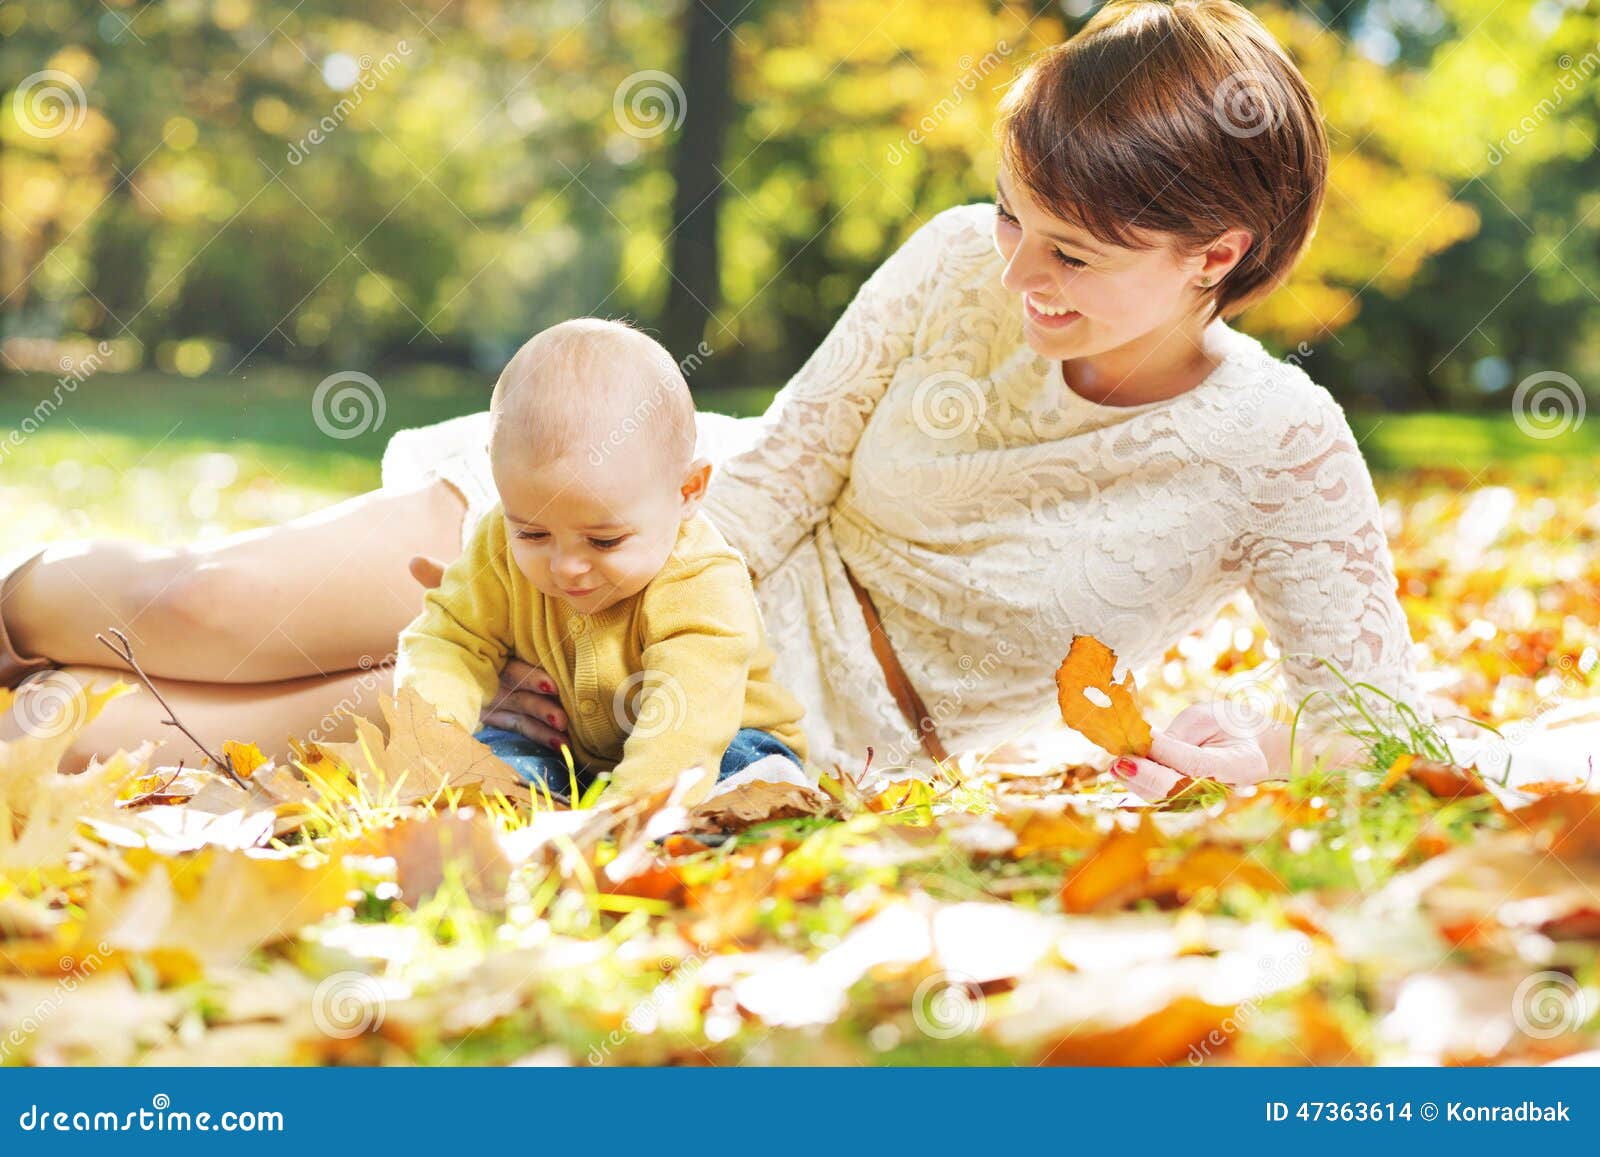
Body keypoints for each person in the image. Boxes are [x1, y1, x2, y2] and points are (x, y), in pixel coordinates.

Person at [0, 1, 1425, 799]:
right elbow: (781, 474)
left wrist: (1277, 750)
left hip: (757, 710)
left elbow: (1384, 718)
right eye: (1011, 216)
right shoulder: (950, 267)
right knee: (202, 611)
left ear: (1216, 257)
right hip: (634, 525)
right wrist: (593, 603)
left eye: (1072, 253)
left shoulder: (1281, 449)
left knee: (110, 734)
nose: (1017, 271)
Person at [393, 318, 808, 805]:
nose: (567, 566)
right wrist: (434, 749)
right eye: (533, 532)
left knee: (743, 782)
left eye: (604, 541)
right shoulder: (496, 545)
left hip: (715, 741)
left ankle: (753, 795)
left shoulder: (701, 580)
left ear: (687, 492)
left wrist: (625, 820)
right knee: (491, 773)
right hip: (573, 754)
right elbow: (449, 641)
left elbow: (687, 726)